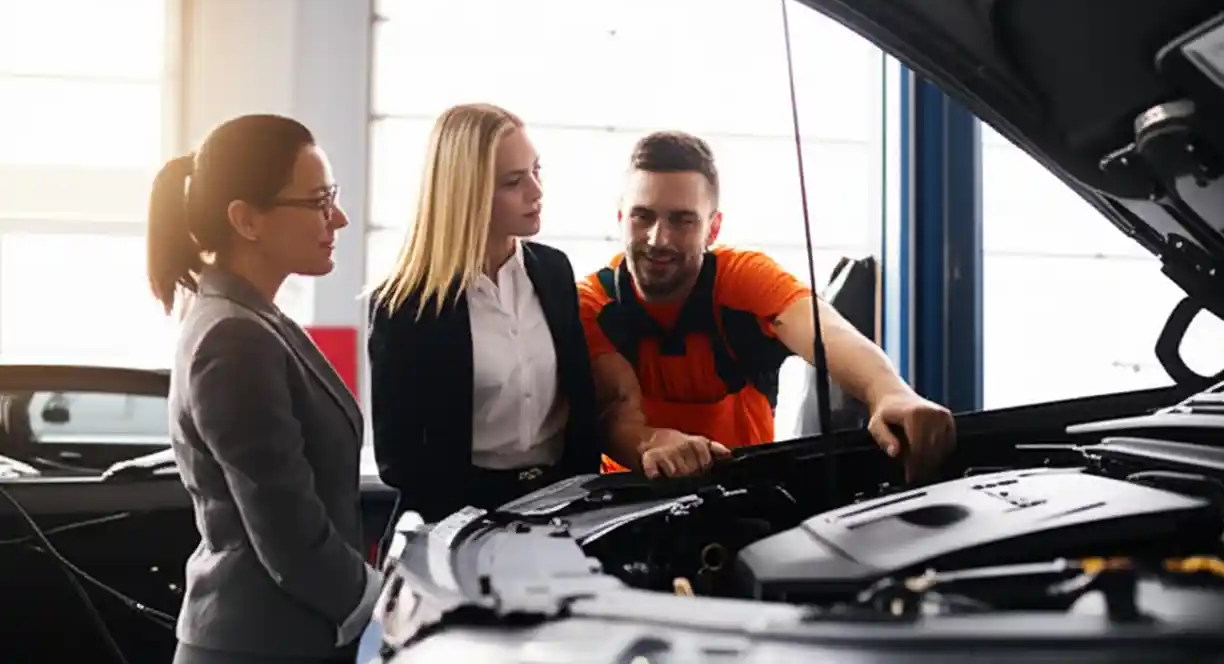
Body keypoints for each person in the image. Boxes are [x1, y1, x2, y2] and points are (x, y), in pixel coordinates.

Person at [578, 131, 957, 481]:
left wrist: (888, 390)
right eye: (642, 216)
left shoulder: (741, 277)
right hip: (627, 508)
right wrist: (652, 443)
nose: (658, 239)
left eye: (682, 220)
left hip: (747, 501)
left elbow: (824, 329)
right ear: (619, 218)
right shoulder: (591, 303)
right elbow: (615, 409)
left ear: (713, 228)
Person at [147, 114, 379, 664]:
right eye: (319, 201)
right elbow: (288, 534)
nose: (339, 218)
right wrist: (387, 601)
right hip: (259, 642)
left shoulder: (251, 318)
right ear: (246, 220)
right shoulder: (233, 337)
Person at [366, 103, 602, 530]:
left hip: (562, 509)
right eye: (514, 181)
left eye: (536, 171)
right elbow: (398, 459)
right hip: (460, 520)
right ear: (466, 193)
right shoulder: (404, 304)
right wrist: (478, 520)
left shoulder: (553, 271)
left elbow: (581, 409)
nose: (536, 191)